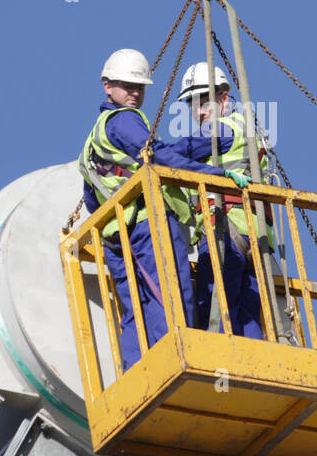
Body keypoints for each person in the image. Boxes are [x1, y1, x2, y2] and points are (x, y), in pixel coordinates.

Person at [79, 49, 247, 371]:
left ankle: (139, 373)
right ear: (107, 86)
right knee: (170, 294)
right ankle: (173, 366)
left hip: (116, 236)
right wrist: (217, 176)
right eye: (128, 86)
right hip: (147, 226)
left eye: (140, 87)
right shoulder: (125, 119)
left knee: (135, 310)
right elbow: (157, 157)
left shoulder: (92, 142)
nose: (135, 93)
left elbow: (90, 199)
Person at [177, 62, 280, 340]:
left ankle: (217, 364)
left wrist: (146, 151)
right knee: (248, 314)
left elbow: (180, 151)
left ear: (223, 98)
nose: (198, 112)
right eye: (192, 105)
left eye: (204, 103)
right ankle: (250, 373)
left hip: (226, 231)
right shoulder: (252, 130)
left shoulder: (223, 129)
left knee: (216, 304)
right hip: (257, 239)